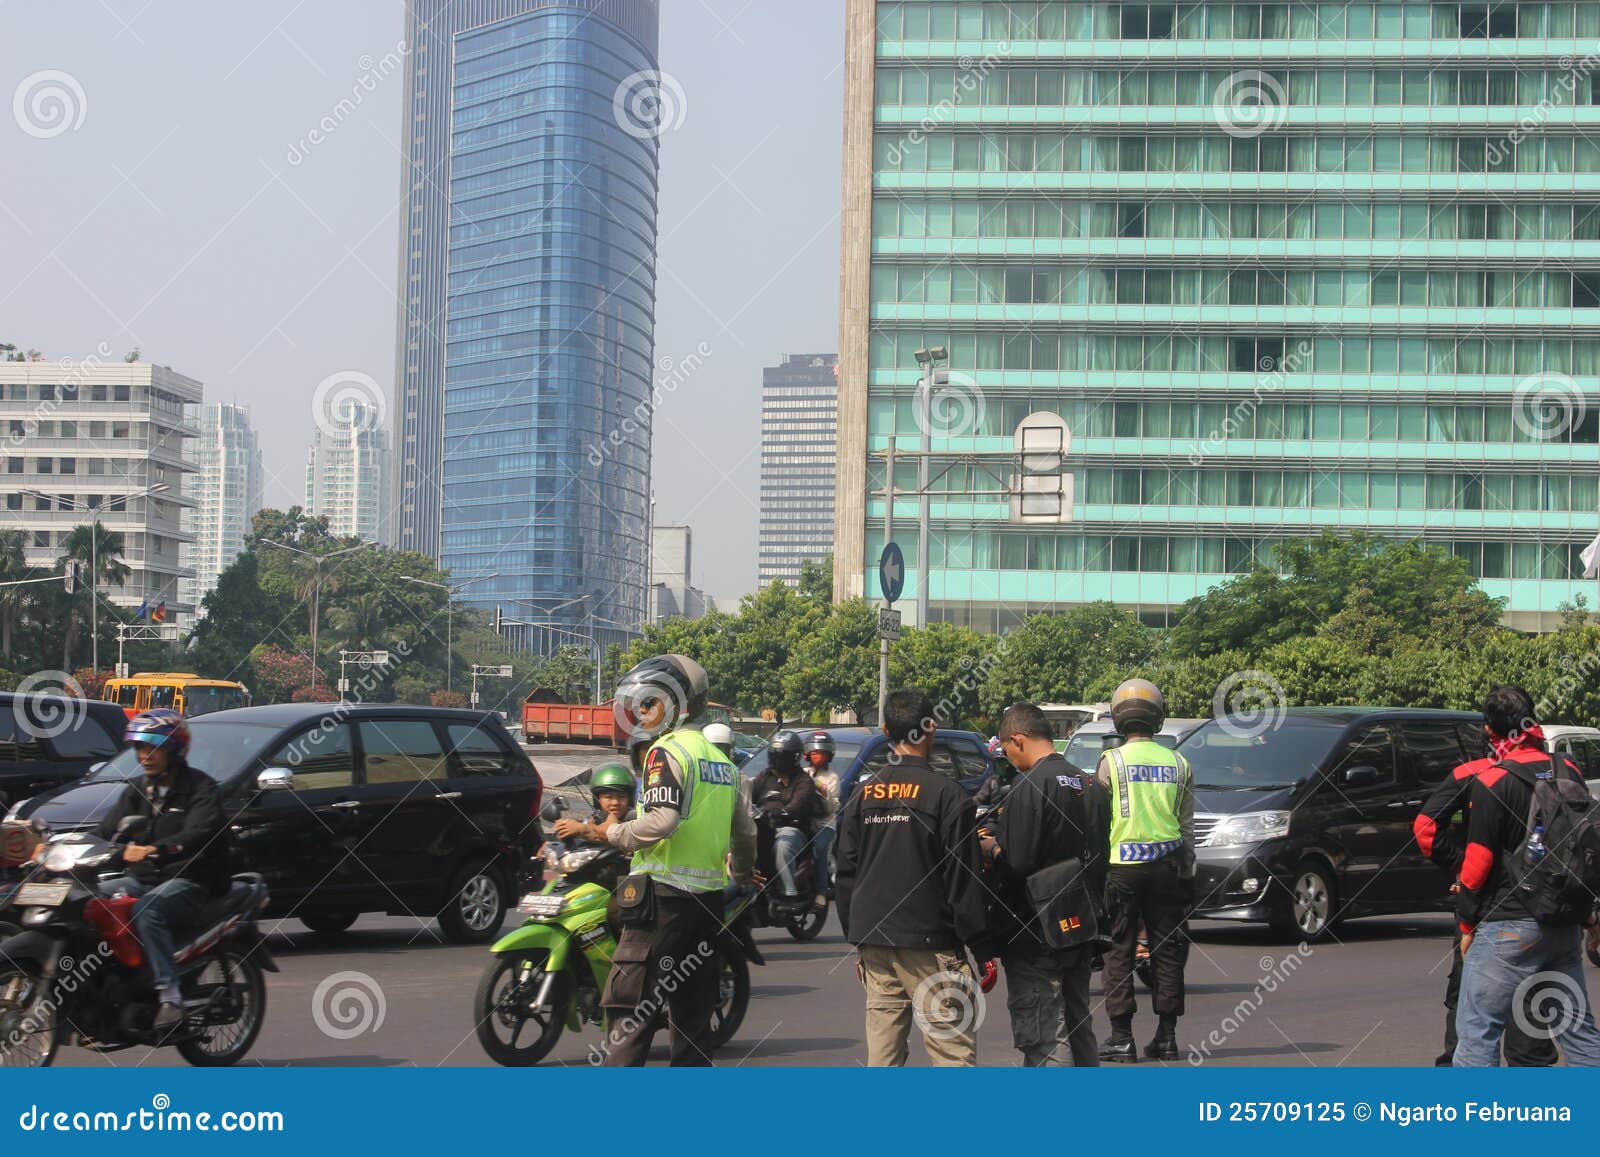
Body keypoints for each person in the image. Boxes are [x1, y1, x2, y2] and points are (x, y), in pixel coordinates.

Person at [595, 654, 757, 1067]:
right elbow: (745, 834)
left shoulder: (665, 753)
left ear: (676, 703)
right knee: (693, 1022)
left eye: (649, 704)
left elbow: (662, 821)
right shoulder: (724, 763)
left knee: (630, 1013)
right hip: (707, 905)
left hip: (661, 905)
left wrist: (615, 833)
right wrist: (741, 876)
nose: (642, 714)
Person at [834, 688, 995, 1067]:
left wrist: (858, 938)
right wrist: (982, 947)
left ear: (886, 729)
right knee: (952, 1052)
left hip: (875, 939)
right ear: (931, 729)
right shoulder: (948, 795)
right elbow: (964, 880)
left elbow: (845, 874)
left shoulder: (863, 795)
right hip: (931, 944)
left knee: (883, 1057)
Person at [1452, 686, 1600, 1067]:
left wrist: (1467, 921)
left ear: (1489, 732)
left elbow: (1478, 862)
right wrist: (1589, 914)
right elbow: (1579, 846)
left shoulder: (1492, 782)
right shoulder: (1568, 770)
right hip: (1563, 920)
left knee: (1478, 1030)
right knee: (1580, 1033)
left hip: (1508, 925)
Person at [1413, 729, 1558, 1067]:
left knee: (1471, 1006)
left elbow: (1425, 828)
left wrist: (1461, 870)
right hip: (1542, 909)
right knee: (1531, 1005)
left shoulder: (1473, 772)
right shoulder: (1558, 770)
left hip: (1482, 907)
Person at [981, 702, 1107, 1066]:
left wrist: (991, 847)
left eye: (1006, 748)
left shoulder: (1029, 788)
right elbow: (1101, 856)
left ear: (1017, 740)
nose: (1007, 756)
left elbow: (1017, 862)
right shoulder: (1089, 785)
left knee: (1045, 1035)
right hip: (1080, 926)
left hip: (1034, 931)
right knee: (1078, 1021)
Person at [95, 709, 230, 1030]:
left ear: (174, 750)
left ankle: (170, 996)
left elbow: (198, 833)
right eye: (141, 749)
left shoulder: (201, 788)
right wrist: (53, 844)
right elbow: (104, 831)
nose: (145, 756)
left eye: (153, 749)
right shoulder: (138, 790)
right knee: (93, 901)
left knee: (147, 911)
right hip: (143, 878)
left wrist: (157, 849)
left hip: (191, 880)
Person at [1095, 678, 1194, 1063]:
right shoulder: (1180, 763)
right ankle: (1167, 1038)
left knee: (1118, 950)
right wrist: (1188, 872)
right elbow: (1186, 828)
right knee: (1166, 949)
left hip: (1122, 869)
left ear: (1119, 718)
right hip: (1168, 866)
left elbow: (1100, 822)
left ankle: (1122, 1038)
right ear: (1158, 717)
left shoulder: (1111, 762)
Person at [750, 730, 823, 903]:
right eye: (773, 754)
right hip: (765, 825)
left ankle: (788, 892)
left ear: (794, 757)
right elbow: (748, 795)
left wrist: (783, 812)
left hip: (792, 828)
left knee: (781, 848)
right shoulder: (764, 776)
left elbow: (799, 803)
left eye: (781, 756)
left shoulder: (804, 781)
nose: (776, 760)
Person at [553, 762, 636, 846]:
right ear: (597, 799)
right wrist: (565, 827)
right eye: (608, 797)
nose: (615, 802)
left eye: (621, 797)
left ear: (630, 799)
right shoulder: (598, 817)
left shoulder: (635, 820)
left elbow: (613, 835)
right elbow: (586, 824)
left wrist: (582, 829)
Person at [803, 731, 839, 900]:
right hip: (804, 821)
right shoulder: (802, 773)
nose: (818, 757)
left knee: (820, 849)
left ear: (829, 756)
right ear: (808, 754)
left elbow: (830, 806)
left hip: (825, 824)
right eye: (815, 753)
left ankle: (822, 890)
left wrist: (816, 784)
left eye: (822, 753)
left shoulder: (832, 778)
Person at [973, 736, 1018, 816]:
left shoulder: (1020, 780)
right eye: (997, 762)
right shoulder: (993, 781)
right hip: (995, 820)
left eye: (1003, 762)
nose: (1001, 766)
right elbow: (979, 797)